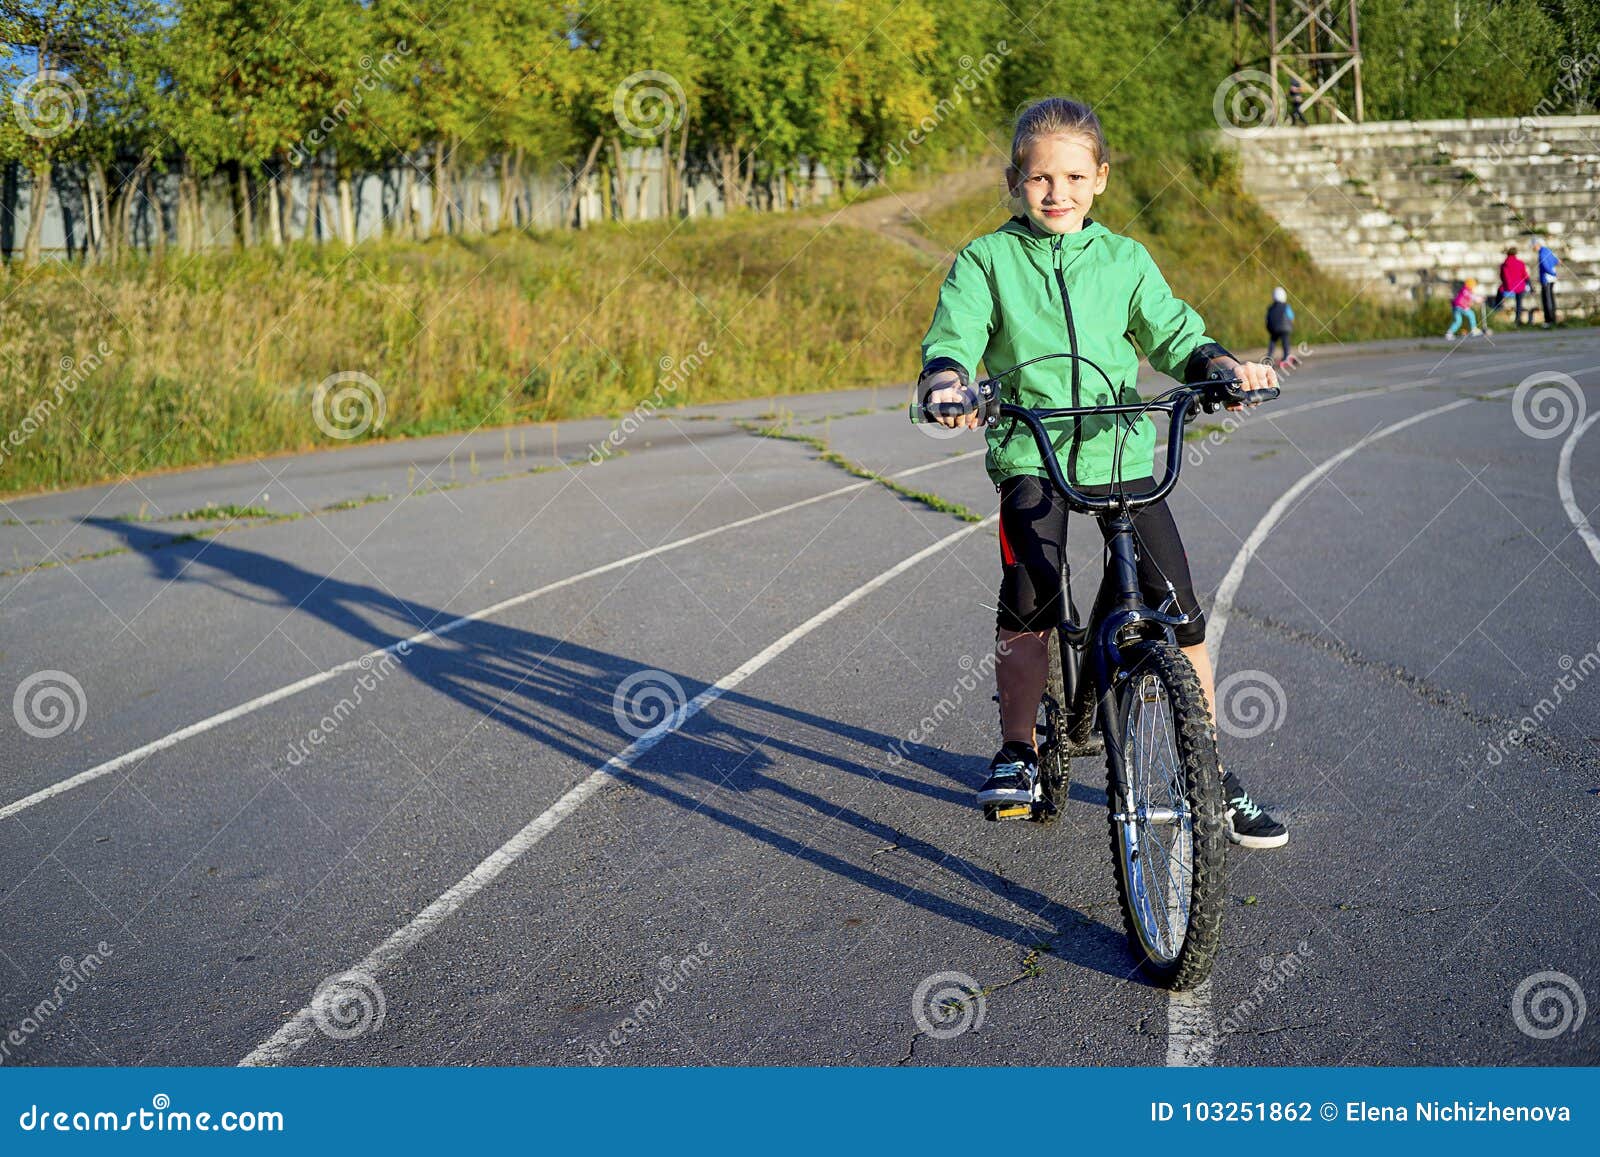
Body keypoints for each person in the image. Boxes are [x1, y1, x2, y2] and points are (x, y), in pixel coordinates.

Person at [918, 96, 1288, 850]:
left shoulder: (1124, 259)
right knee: (1029, 591)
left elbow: (1172, 328)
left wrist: (1218, 366)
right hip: (1034, 447)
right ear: (1013, 180)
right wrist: (948, 380)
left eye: (1075, 176)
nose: (1058, 192)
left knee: (1177, 602)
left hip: (1118, 450)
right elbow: (954, 335)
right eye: (1040, 177)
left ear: (1102, 179)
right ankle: (1020, 747)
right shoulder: (986, 260)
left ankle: (1207, 767)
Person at [1485, 248, 1530, 329]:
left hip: (1507, 287)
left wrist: (1507, 285)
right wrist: (1529, 284)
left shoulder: (1504, 265)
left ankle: (1497, 309)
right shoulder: (1520, 263)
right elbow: (1525, 275)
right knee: (1519, 303)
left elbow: (1502, 277)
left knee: (1499, 293)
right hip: (1520, 287)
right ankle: (1518, 320)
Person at [1532, 238, 1560, 327]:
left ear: (1537, 245)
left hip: (1546, 279)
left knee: (1546, 299)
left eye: (1533, 246)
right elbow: (1556, 260)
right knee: (1551, 298)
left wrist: (1553, 273)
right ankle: (1553, 319)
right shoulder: (1548, 250)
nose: (1533, 248)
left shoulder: (1541, 253)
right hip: (1551, 279)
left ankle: (1549, 320)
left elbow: (1544, 266)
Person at [1266, 287, 1296, 367]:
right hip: (1285, 328)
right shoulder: (1286, 306)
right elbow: (1291, 316)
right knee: (1285, 342)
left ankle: (1269, 358)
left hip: (1273, 329)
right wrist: (1291, 325)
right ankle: (1286, 357)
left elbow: (1267, 319)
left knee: (1272, 342)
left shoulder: (1271, 308)